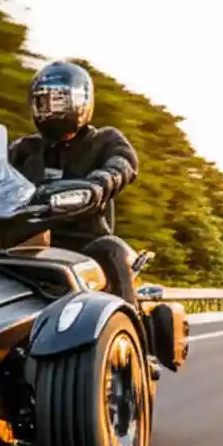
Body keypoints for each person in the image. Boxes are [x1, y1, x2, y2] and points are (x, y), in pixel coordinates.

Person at [8, 60, 141, 307]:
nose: (49, 109)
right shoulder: (24, 149)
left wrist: (103, 181)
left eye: (58, 101)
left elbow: (124, 162)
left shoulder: (105, 140)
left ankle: (129, 320)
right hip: (28, 243)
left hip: (85, 244)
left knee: (112, 249)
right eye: (42, 101)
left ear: (81, 101)